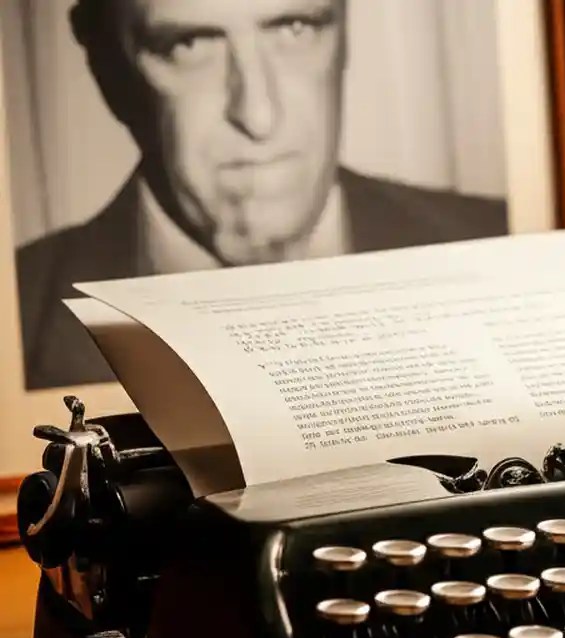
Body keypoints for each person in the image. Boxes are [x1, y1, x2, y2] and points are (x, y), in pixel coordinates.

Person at [16, 0, 508, 390]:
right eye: (189, 44)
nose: (258, 115)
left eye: (294, 27)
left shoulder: (502, 245)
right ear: (104, 63)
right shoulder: (16, 316)